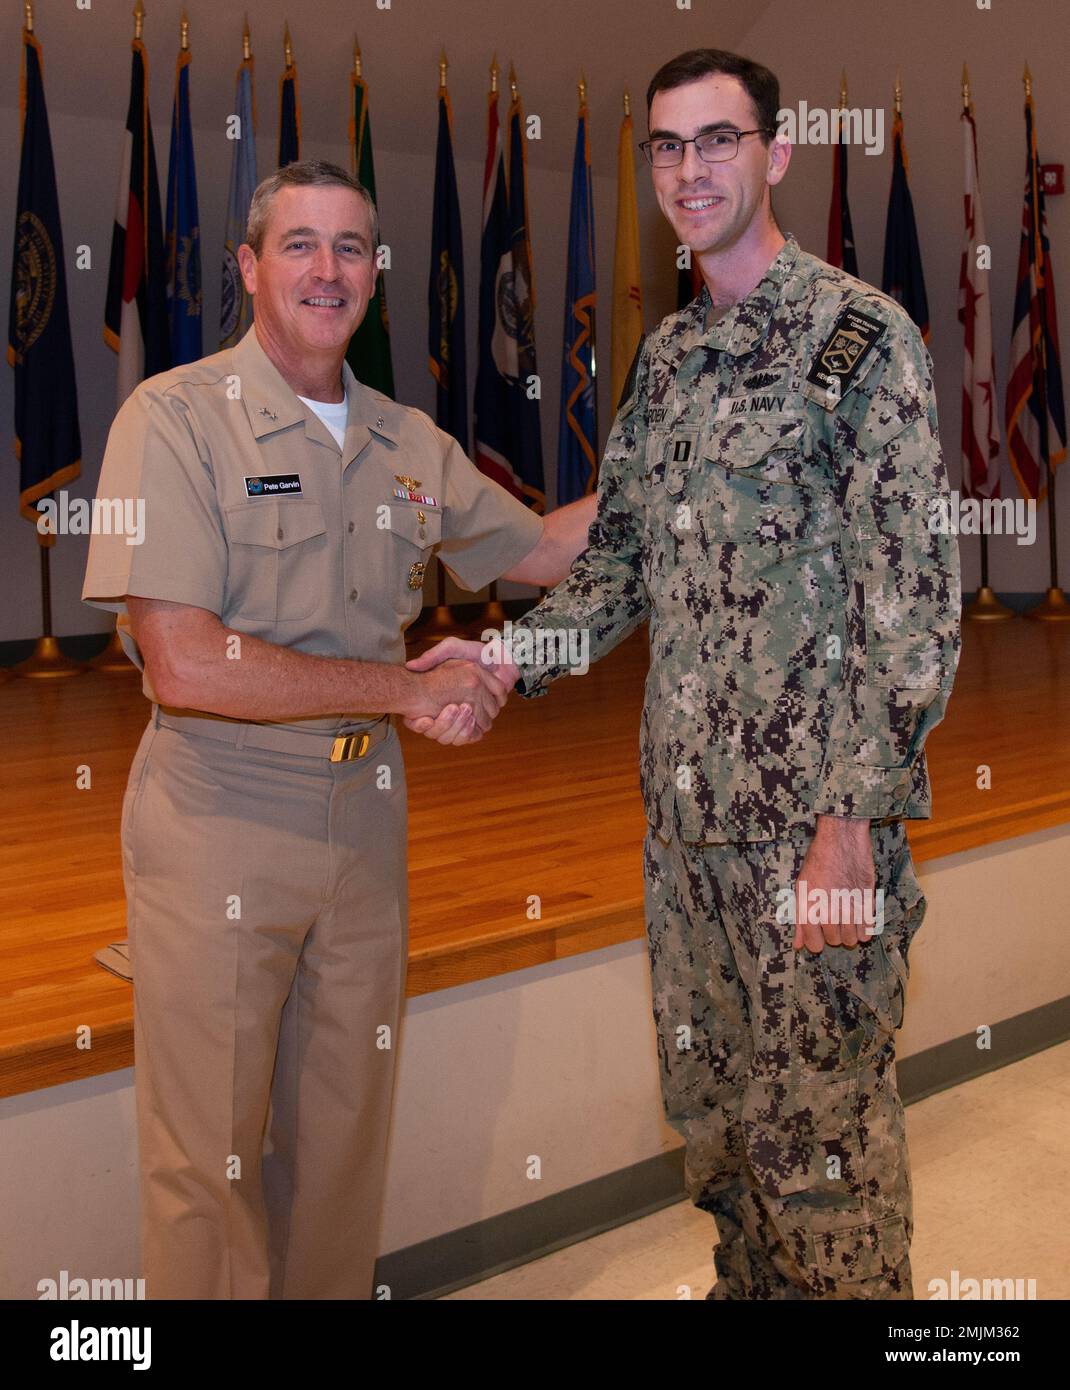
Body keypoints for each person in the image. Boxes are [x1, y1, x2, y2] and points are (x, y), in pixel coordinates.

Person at [408, 49, 962, 1299]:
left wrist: (848, 827)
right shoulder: (665, 366)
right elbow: (616, 575)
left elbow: (911, 607)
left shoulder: (857, 338)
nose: (689, 170)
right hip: (683, 832)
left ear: (773, 154)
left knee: (823, 1152)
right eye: (665, 147)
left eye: (717, 141)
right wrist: (501, 660)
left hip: (810, 833)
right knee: (719, 1134)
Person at [80, 159, 595, 1299]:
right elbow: (182, 659)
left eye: (352, 247)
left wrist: (679, 456)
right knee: (206, 1156)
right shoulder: (169, 421)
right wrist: (407, 691)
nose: (328, 270)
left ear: (376, 273)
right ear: (248, 266)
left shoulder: (406, 440)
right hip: (222, 810)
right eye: (300, 244)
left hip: (366, 821)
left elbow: (540, 552)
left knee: (340, 1143)